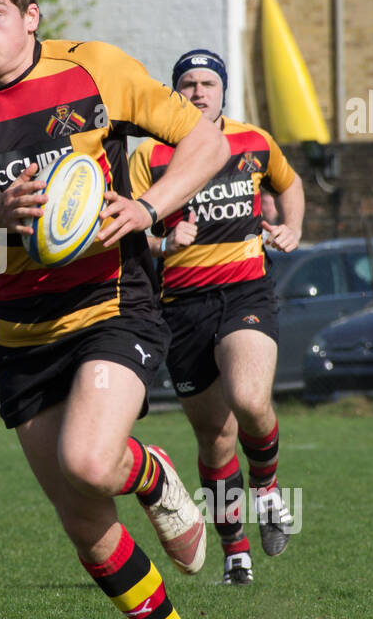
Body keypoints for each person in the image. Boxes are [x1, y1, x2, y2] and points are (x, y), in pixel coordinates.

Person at [0, 0, 229, 619]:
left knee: (87, 459)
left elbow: (206, 142)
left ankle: (148, 472)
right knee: (84, 520)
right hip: (20, 330)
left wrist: (149, 205)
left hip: (111, 300)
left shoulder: (96, 70)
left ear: (30, 17)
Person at [130, 48, 303, 585]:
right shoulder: (150, 156)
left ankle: (269, 493)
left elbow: (289, 183)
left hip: (245, 292)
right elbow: (128, 225)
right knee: (215, 438)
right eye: (188, 83)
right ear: (173, 92)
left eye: (208, 83)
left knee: (249, 399)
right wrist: (160, 240)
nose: (198, 91)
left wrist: (291, 227)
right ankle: (235, 551)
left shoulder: (253, 141)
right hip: (181, 307)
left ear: (223, 91)